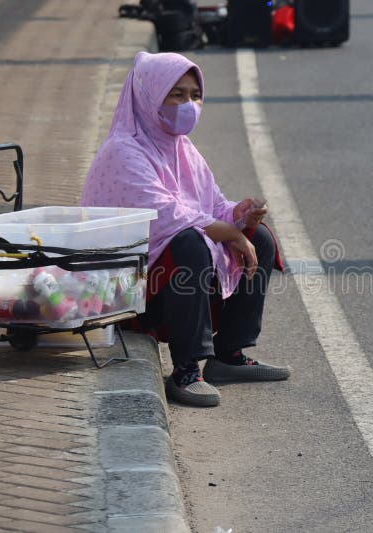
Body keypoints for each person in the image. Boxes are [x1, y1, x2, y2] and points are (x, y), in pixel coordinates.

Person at [81, 51, 290, 407]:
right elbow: (168, 217)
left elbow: (212, 206)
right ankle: (186, 370)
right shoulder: (123, 150)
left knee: (260, 239)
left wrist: (241, 217)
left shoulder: (181, 147)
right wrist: (230, 233)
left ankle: (228, 355)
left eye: (195, 95)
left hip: (169, 282)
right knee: (190, 244)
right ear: (149, 96)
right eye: (176, 95)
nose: (189, 105)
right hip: (128, 292)